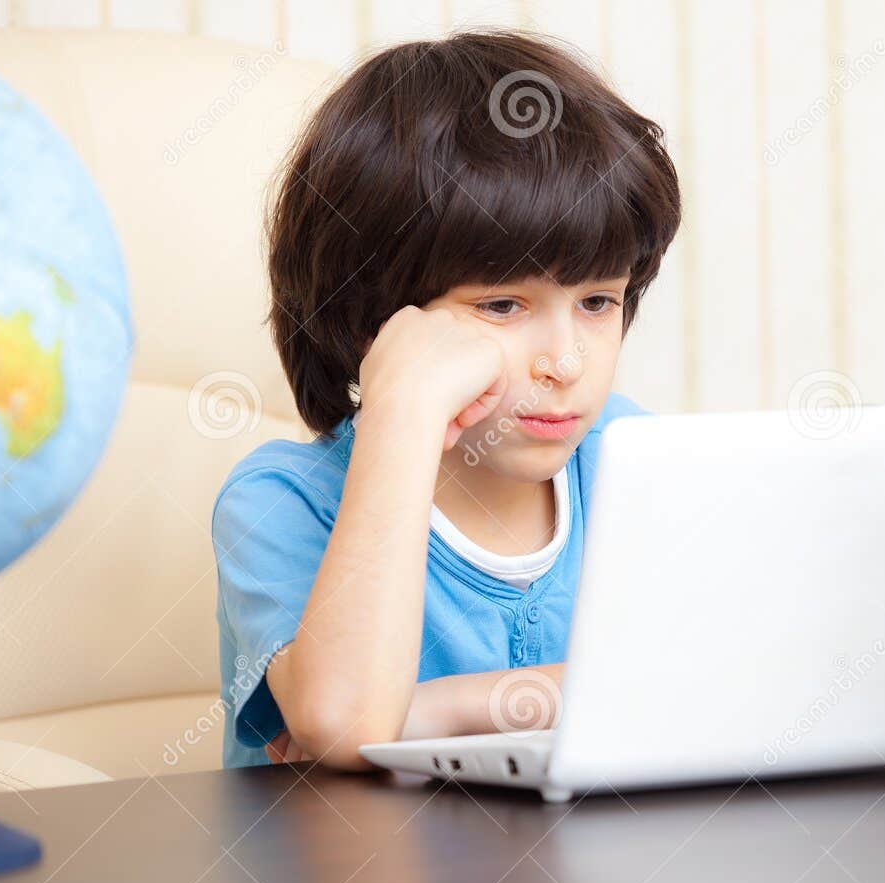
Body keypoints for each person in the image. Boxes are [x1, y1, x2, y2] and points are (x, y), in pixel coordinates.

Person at [211, 30, 681, 769]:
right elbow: (345, 724)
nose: (565, 361)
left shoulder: (632, 460)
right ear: (374, 320)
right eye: (502, 306)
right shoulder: (281, 501)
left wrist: (438, 709)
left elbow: (715, 678)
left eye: (597, 301)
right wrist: (401, 409)